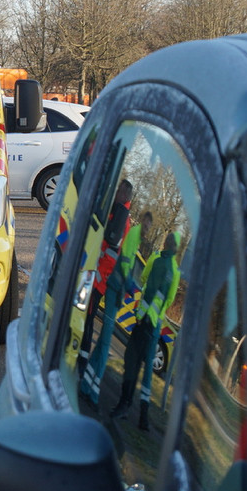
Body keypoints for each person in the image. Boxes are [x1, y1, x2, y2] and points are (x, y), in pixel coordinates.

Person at [110, 230, 181, 430]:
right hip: (156, 323)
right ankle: (143, 415)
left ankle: (124, 404)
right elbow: (170, 299)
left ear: (165, 244)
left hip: (144, 320)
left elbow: (145, 281)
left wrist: (143, 314)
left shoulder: (157, 259)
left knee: (131, 361)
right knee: (148, 370)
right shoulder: (175, 270)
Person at [81, 209, 151, 405]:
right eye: (147, 225)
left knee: (103, 340)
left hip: (112, 288)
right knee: (104, 344)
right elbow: (123, 266)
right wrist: (128, 285)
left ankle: (87, 382)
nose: (148, 229)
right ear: (143, 222)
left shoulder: (133, 236)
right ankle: (92, 391)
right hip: (113, 289)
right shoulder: (132, 236)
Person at [80, 179, 133, 353]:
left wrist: (96, 279)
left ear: (124, 194)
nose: (115, 193)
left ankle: (81, 358)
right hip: (94, 276)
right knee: (84, 317)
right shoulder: (118, 215)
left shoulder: (121, 220)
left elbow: (110, 257)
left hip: (97, 281)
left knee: (87, 320)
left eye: (118, 191)